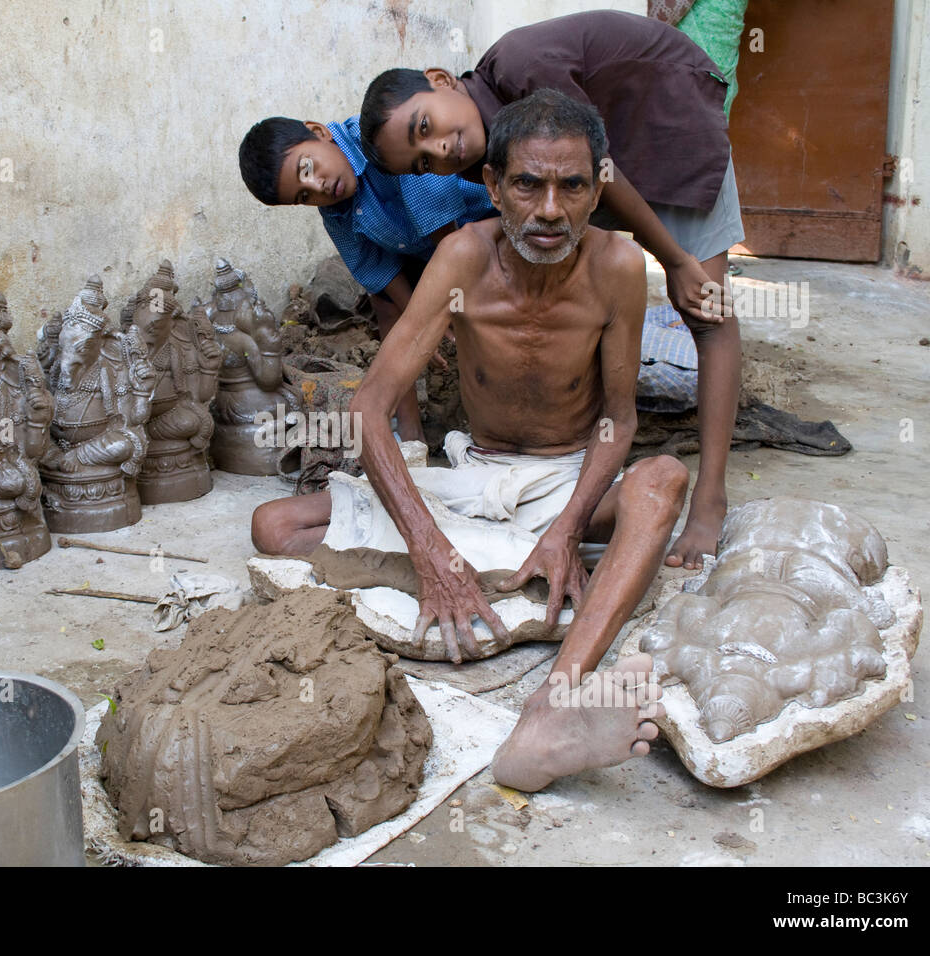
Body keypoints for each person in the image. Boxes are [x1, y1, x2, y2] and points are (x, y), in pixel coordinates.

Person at [252, 91, 686, 791]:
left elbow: (620, 420)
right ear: (491, 186)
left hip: (566, 483)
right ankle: (486, 571)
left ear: (598, 185)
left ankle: (552, 707)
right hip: (475, 471)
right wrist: (432, 552)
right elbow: (369, 410)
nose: (550, 210)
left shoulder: (619, 268)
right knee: (274, 525)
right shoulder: (460, 258)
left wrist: (571, 525)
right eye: (527, 184)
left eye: (573, 186)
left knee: (662, 480)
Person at [358, 10, 743, 569]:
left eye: (425, 127)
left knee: (707, 308)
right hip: (598, 165)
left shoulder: (521, 65)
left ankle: (711, 501)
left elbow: (602, 170)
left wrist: (676, 260)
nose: (440, 151)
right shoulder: (483, 161)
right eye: (422, 161)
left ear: (441, 80)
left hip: (669, 116)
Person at [239, 115, 496, 440]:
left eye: (307, 168)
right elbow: (378, 269)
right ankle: (410, 435)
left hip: (482, 224)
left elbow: (440, 222)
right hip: (438, 252)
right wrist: (415, 321)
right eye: (304, 197)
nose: (318, 187)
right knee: (385, 302)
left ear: (318, 132)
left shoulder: (379, 135)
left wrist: (437, 306)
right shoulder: (334, 210)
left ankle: (493, 414)